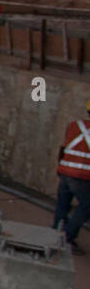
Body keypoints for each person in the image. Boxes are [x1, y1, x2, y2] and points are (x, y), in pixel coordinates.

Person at [54, 99, 90, 256]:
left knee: (63, 204)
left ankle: (56, 232)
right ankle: (67, 237)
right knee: (87, 206)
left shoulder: (74, 125)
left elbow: (65, 147)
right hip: (82, 176)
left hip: (65, 171)